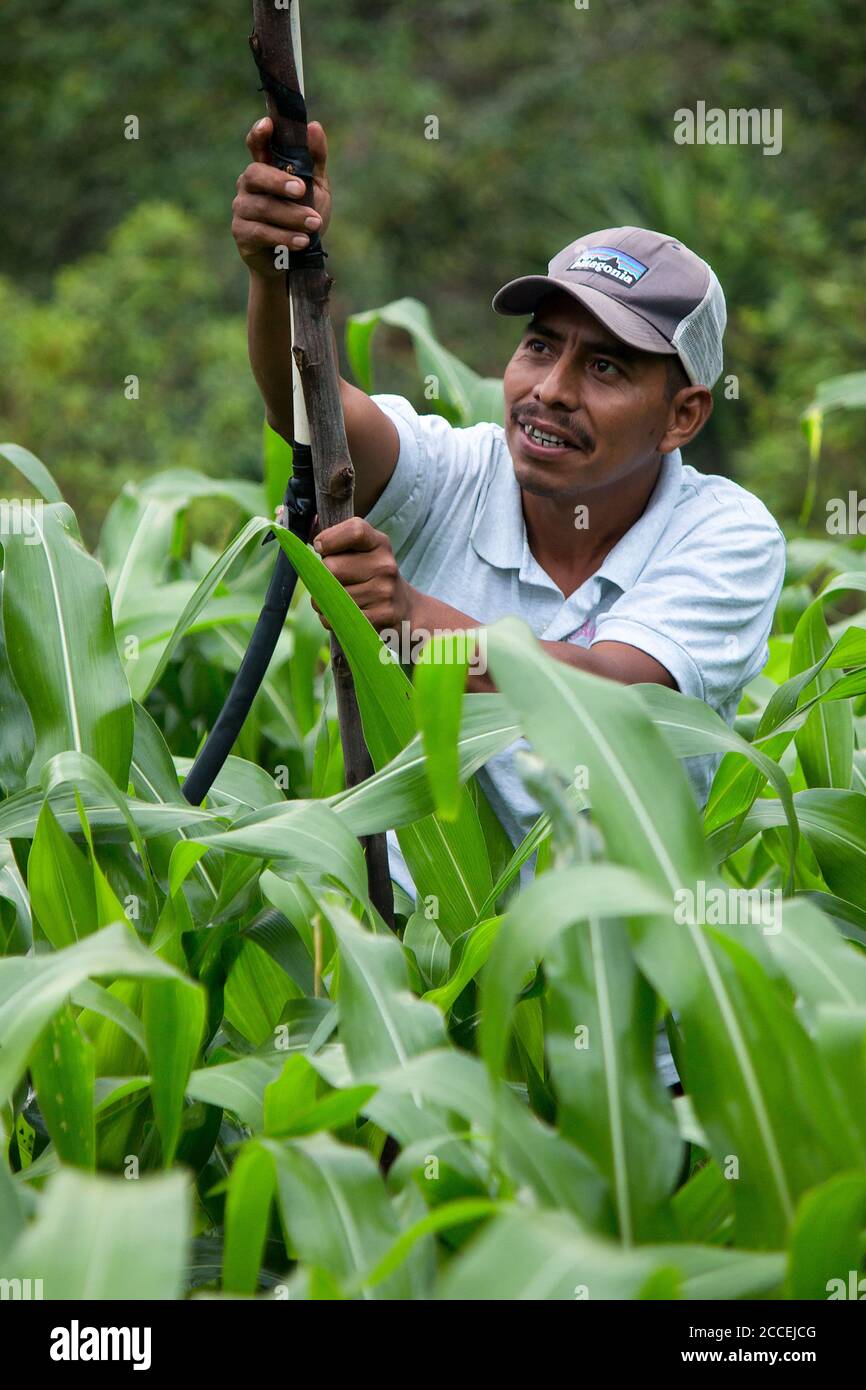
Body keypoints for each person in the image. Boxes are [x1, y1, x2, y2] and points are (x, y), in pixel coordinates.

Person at [232, 118, 787, 1060]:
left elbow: (620, 690)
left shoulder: (725, 534)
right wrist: (274, 272)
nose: (551, 390)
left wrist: (416, 626)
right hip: (421, 1017)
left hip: (627, 1043)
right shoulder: (457, 473)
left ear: (683, 415)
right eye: (540, 348)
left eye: (606, 366)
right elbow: (313, 410)